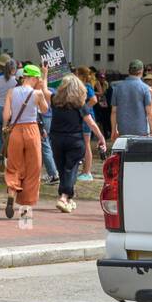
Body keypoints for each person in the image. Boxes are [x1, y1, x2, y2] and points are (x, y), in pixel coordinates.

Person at [49, 74, 106, 213]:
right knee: (71, 168)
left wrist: (45, 74)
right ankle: (63, 197)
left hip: (56, 139)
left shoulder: (54, 101)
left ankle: (68, 198)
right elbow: (91, 123)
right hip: (74, 140)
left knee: (62, 169)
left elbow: (45, 90)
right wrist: (101, 137)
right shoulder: (80, 105)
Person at [2, 64, 51, 222]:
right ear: (34, 78)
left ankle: (11, 195)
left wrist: (5, 126)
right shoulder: (36, 93)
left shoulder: (11, 92)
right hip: (32, 130)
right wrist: (44, 85)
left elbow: (6, 115)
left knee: (14, 166)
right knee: (33, 169)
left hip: (16, 131)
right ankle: (25, 212)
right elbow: (45, 110)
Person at [109, 59, 152, 140]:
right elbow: (149, 113)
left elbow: (114, 111)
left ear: (129, 71)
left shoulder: (117, 87)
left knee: (124, 152)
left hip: (123, 130)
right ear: (141, 71)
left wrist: (113, 130)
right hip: (141, 131)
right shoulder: (145, 88)